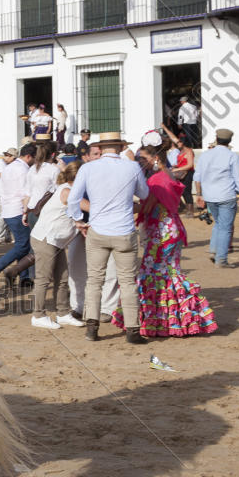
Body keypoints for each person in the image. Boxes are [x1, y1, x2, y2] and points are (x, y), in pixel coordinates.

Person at [111, 143, 216, 338]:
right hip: (170, 228)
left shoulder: (157, 179)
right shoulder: (168, 175)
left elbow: (148, 206)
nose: (140, 161)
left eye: (143, 158)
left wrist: (122, 207)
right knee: (170, 271)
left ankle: (161, 319)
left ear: (155, 158)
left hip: (161, 231)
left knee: (155, 272)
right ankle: (178, 318)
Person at [67, 132, 149, 343]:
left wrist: (78, 220)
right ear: (121, 147)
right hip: (123, 230)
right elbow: (144, 194)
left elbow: (73, 198)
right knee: (128, 282)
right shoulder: (131, 167)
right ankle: (132, 330)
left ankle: (92, 327)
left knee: (94, 280)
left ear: (101, 148)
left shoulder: (88, 167)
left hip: (98, 230)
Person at [28, 160, 79, 328]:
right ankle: (38, 315)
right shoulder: (67, 190)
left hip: (56, 240)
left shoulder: (69, 188)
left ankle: (63, 312)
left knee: (62, 277)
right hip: (46, 238)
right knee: (44, 278)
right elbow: (83, 207)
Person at [193, 128, 239, 267]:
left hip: (209, 195)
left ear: (216, 139)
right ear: (230, 141)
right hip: (226, 194)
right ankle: (221, 259)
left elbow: (197, 177)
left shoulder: (205, 155)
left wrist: (199, 194)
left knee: (219, 224)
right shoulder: (232, 156)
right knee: (225, 227)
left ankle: (214, 250)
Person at [0, 142, 36, 290]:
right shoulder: (23, 170)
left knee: (23, 244)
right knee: (23, 245)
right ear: (29, 156)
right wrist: (26, 212)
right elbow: (25, 194)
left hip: (8, 210)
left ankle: (24, 277)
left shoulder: (10, 167)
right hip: (17, 210)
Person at [0, 147, 15, 244]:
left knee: (7, 214)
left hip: (5, 193)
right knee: (1, 215)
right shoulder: (0, 164)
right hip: (1, 193)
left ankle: (6, 236)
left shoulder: (5, 164)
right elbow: (4, 178)